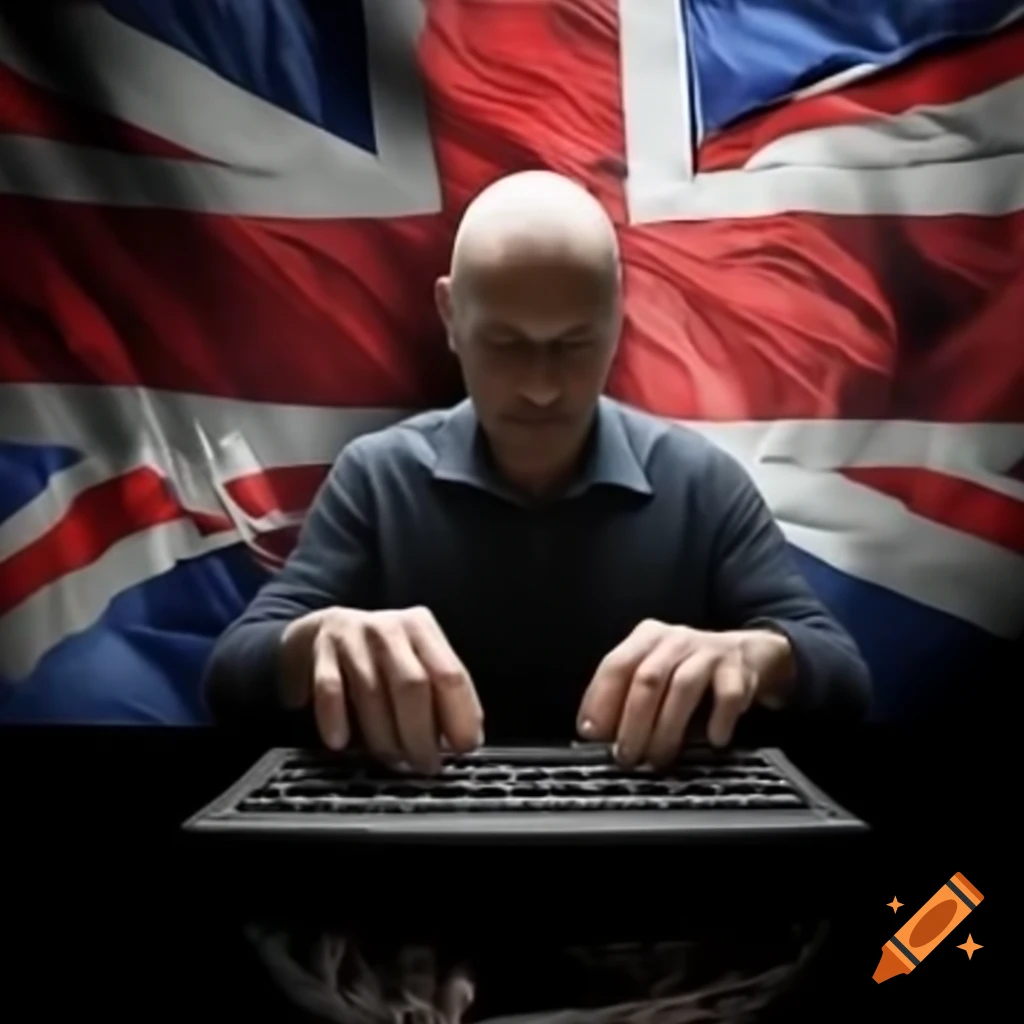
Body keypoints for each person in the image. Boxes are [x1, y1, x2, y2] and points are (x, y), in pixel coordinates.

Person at [204, 170, 870, 773]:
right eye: (507, 344)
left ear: (618, 316)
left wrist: (758, 659)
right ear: (450, 317)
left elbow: (843, 677)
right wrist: (314, 641)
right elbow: (232, 677)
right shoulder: (377, 479)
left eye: (574, 345)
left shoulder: (703, 483)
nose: (543, 388)